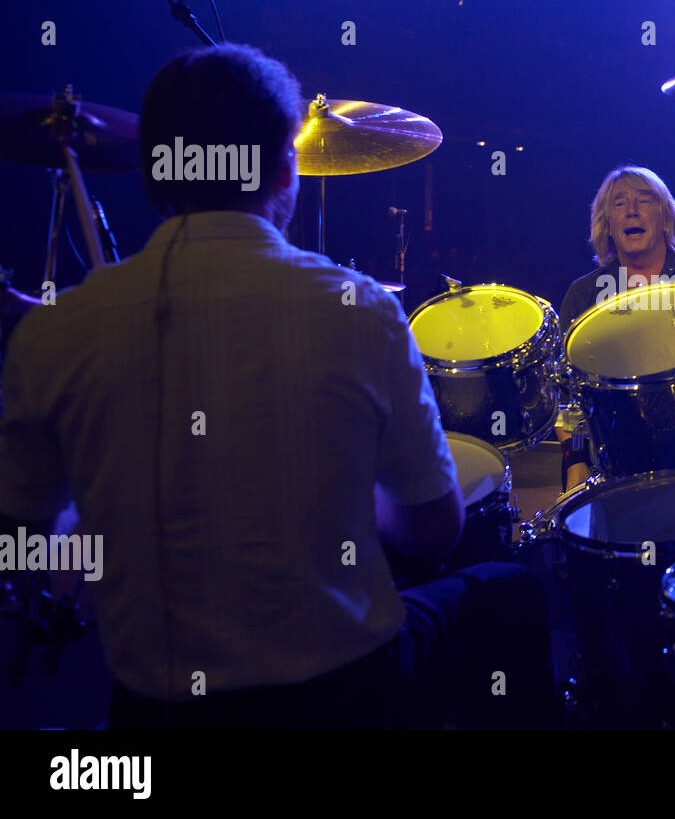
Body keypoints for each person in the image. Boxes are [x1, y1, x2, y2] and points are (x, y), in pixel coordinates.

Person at [0, 44, 555, 729]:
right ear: (287, 170)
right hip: (344, 698)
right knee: (511, 590)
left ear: (153, 178)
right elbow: (436, 530)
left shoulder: (57, 331)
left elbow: (18, 530)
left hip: (154, 714)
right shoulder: (361, 309)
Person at [556, 166, 675, 490]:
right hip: (616, 473)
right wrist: (574, 460)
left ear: (665, 218)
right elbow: (567, 395)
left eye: (644, 201)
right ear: (607, 225)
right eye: (619, 204)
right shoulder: (584, 295)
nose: (631, 211)